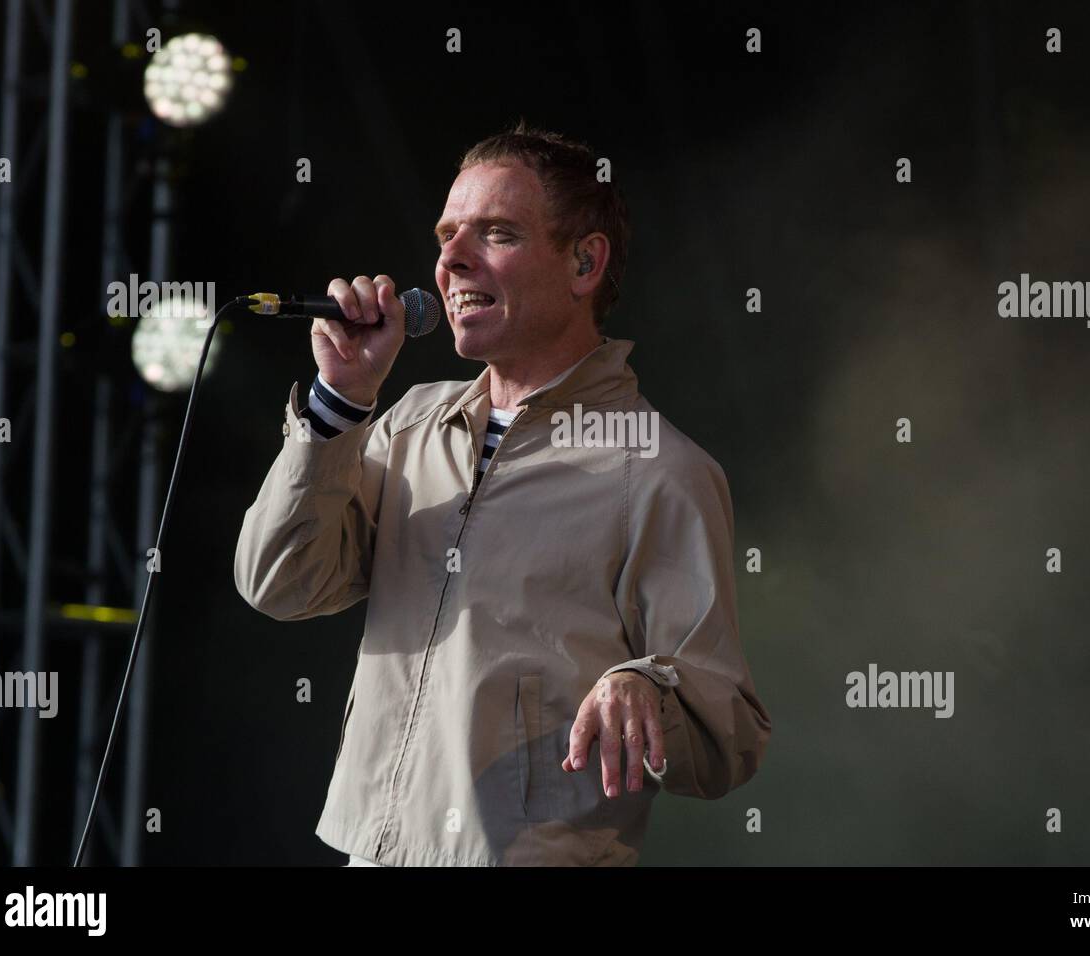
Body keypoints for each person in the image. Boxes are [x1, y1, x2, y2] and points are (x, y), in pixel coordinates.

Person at [233, 121, 771, 866]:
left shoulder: (659, 471)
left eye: (495, 234)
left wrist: (645, 686)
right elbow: (279, 582)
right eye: (447, 235)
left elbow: (729, 733)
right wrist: (340, 403)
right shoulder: (409, 423)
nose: (451, 261)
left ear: (585, 262)